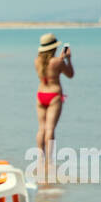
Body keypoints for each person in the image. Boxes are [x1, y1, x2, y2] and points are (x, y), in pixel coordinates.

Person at [34, 33, 74, 183]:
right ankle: (49, 162)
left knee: (41, 128)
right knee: (50, 129)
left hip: (40, 94)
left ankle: (40, 160)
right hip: (54, 95)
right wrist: (68, 59)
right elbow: (70, 74)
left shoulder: (37, 61)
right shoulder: (57, 62)